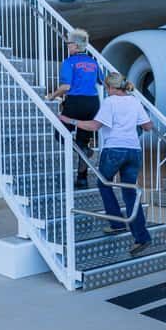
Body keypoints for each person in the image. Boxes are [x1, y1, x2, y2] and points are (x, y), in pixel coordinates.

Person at [59, 72, 154, 256]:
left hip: (114, 150)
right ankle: (142, 237)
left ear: (110, 87)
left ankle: (117, 223)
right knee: (130, 192)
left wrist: (69, 120)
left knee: (103, 183)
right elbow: (148, 126)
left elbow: (94, 126)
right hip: (134, 151)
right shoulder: (134, 101)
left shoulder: (110, 102)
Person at [49, 29, 101, 188]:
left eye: (69, 43)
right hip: (92, 103)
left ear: (76, 45)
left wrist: (51, 96)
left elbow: (66, 86)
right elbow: (101, 81)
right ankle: (82, 179)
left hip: (75, 102)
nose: (67, 46)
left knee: (60, 134)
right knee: (82, 139)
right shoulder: (93, 62)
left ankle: (84, 150)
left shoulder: (69, 62)